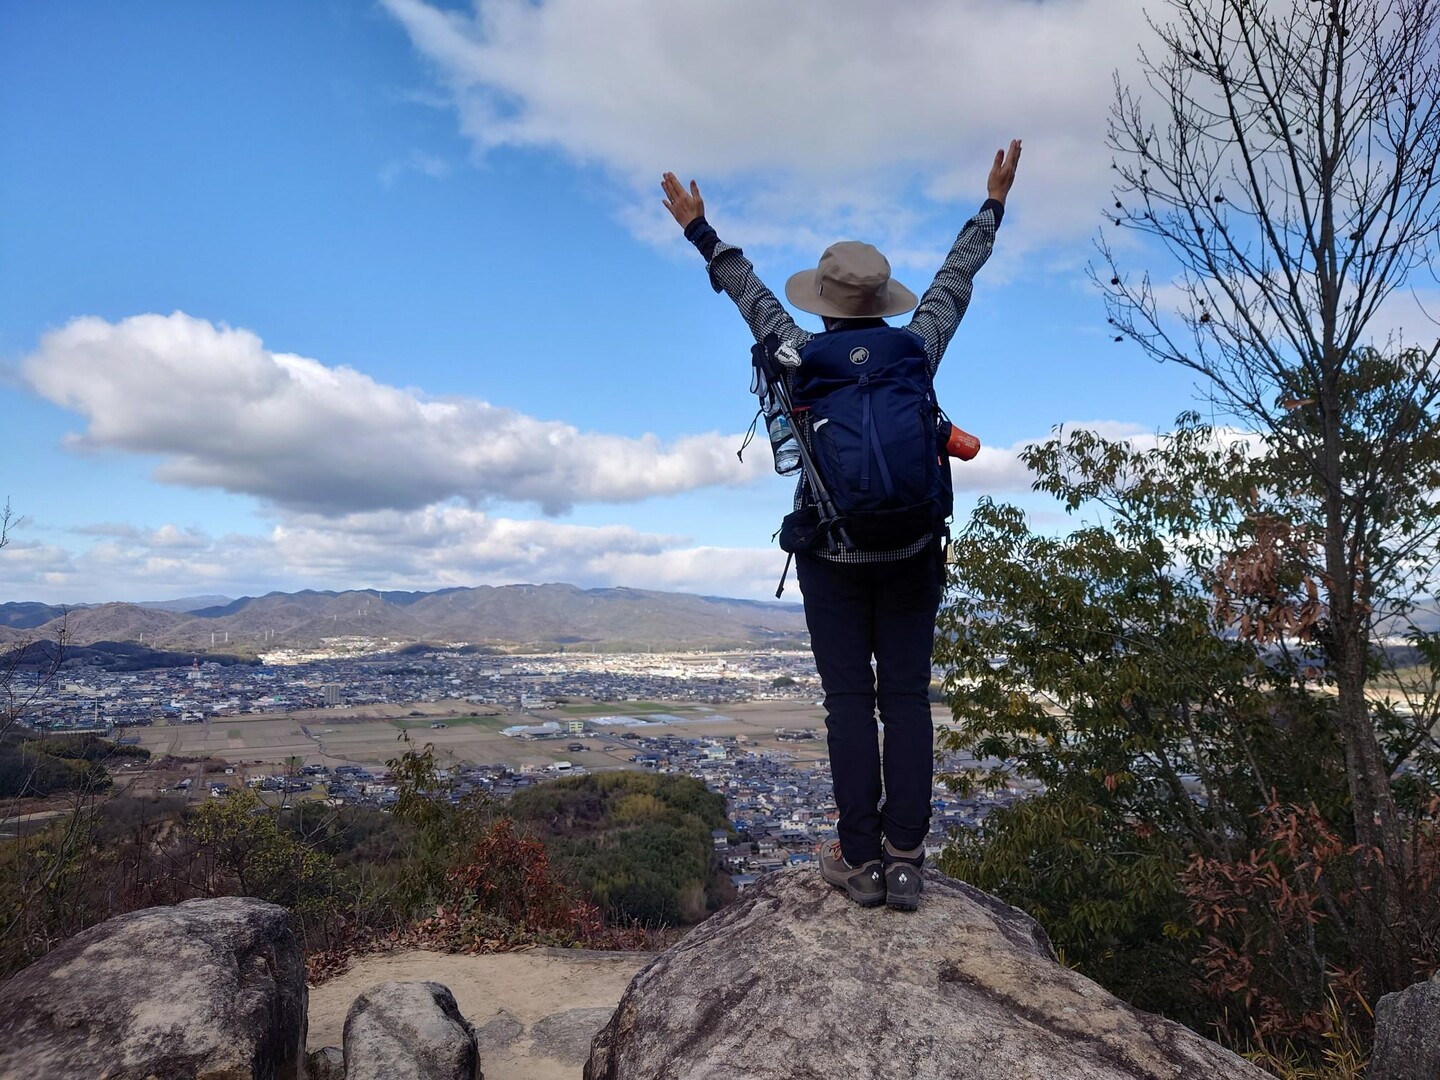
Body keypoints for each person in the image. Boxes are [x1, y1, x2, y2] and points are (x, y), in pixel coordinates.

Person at [661, 142, 1021, 909]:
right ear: (882, 301)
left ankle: (858, 861)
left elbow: (748, 291)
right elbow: (955, 283)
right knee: (908, 701)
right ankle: (905, 863)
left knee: (849, 703)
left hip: (833, 550)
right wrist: (991, 206)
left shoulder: (799, 354)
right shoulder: (913, 351)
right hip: (913, 551)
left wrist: (699, 229)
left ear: (824, 301)